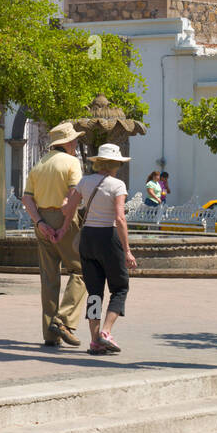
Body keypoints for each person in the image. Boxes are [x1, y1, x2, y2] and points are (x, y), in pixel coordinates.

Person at [57, 142, 137, 355]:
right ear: (115, 164)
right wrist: (127, 250)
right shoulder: (117, 185)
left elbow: (69, 209)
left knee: (94, 292)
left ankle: (94, 341)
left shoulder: (84, 182)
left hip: (88, 239)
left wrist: (64, 221)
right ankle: (106, 332)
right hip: (107, 238)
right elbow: (120, 218)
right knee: (120, 288)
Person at [21, 121, 87, 347]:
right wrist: (64, 225)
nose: (77, 143)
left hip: (41, 220)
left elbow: (26, 198)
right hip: (62, 217)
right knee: (82, 269)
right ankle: (64, 320)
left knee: (49, 278)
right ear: (68, 143)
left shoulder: (38, 164)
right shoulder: (71, 162)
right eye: (75, 140)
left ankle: (50, 335)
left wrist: (39, 223)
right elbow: (73, 197)